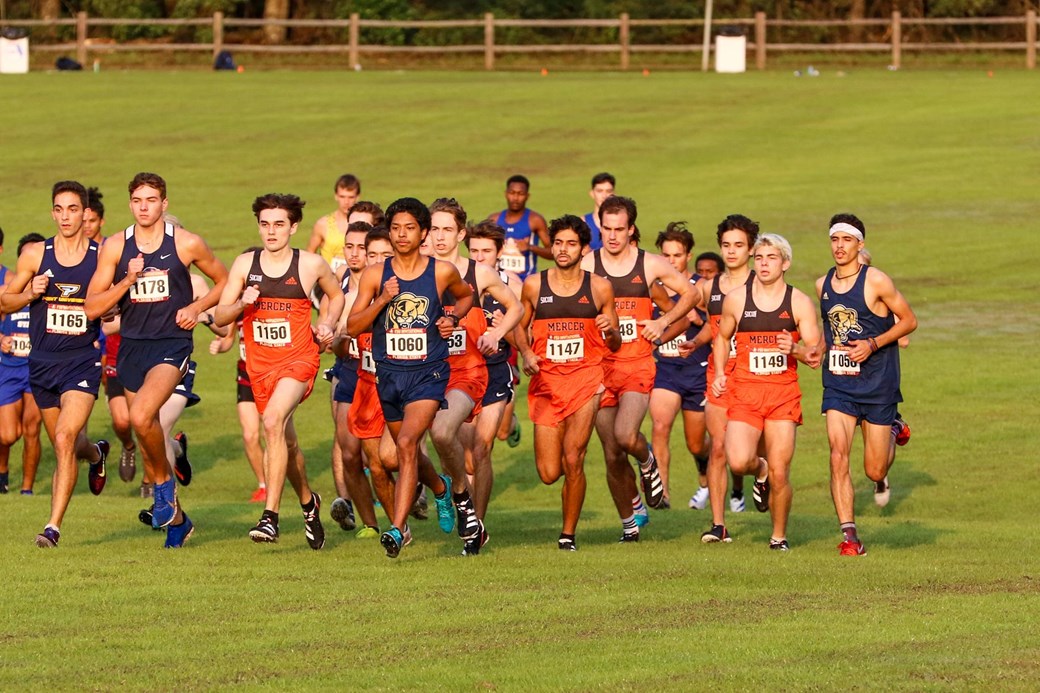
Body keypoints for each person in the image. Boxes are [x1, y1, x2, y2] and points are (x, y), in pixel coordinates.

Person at [85, 172, 228, 549]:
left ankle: (164, 489)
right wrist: (126, 282)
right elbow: (91, 307)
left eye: (151, 200)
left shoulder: (186, 243)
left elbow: (225, 280)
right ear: (130, 204)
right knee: (144, 434)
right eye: (137, 200)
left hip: (172, 344)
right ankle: (178, 521)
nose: (144, 207)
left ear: (165, 203)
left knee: (140, 415)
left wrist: (197, 308)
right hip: (132, 346)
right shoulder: (115, 247)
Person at [347, 197, 473, 559]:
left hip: (429, 373)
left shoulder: (441, 272)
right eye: (396, 227)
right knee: (407, 450)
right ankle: (439, 487)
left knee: (404, 447)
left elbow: (466, 296)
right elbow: (354, 326)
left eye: (410, 228)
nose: (402, 235)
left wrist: (453, 318)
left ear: (423, 233)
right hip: (389, 376)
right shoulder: (376, 275)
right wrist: (382, 301)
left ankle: (398, 529)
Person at [214, 193, 342, 549]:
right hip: (260, 366)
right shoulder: (244, 264)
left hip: (299, 359)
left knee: (271, 422)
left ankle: (270, 517)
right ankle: (308, 502)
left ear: (294, 227)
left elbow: (336, 295)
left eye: (279, 224)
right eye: (265, 224)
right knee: (286, 441)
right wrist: (242, 303)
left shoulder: (310, 265)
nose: (271, 232)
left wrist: (328, 322)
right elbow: (221, 317)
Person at [580, 195, 696, 542]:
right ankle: (630, 521)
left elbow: (689, 298)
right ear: (599, 227)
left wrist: (663, 326)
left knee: (626, 436)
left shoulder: (650, 264)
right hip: (598, 368)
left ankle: (648, 463)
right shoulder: (587, 263)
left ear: (631, 229)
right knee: (612, 454)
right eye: (607, 229)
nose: (613, 236)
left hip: (636, 365)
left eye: (620, 229)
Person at [1, 181, 110, 548]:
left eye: (73, 209)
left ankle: (52, 528)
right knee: (67, 442)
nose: (66, 216)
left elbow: (113, 303)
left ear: (86, 214)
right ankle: (96, 452)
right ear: (53, 213)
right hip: (42, 364)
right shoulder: (35, 254)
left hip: (81, 363)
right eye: (59, 209)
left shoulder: (100, 256)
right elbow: (5, 302)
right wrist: (29, 292)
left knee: (64, 439)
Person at [516, 215, 621, 550]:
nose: (562, 249)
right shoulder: (534, 285)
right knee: (549, 472)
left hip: (586, 381)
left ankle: (567, 534)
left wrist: (612, 329)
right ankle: (568, 485)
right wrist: (526, 353)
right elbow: (519, 325)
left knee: (574, 458)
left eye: (570, 243)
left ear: (583, 248)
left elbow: (615, 342)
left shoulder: (599, 287)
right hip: (547, 383)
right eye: (557, 243)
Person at [712, 234, 822, 551]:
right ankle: (758, 470)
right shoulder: (736, 299)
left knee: (781, 471)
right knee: (737, 460)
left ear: (785, 263)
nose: (763, 263)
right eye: (759, 257)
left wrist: (797, 349)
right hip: (745, 392)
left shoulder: (798, 302)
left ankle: (778, 536)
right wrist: (720, 372)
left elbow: (815, 355)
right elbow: (721, 338)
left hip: (782, 395)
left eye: (771, 258)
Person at [817, 215, 917, 555]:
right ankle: (850, 537)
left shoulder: (876, 281)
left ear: (860, 244)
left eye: (847, 240)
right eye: (835, 240)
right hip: (839, 385)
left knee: (874, 469)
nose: (840, 246)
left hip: (878, 384)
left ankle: (893, 428)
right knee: (837, 455)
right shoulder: (822, 285)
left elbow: (909, 321)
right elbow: (826, 333)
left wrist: (872, 344)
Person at [428, 201, 522, 530]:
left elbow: (516, 307)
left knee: (481, 449)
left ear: (460, 234)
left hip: (486, 369)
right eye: (435, 229)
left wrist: (497, 332)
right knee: (454, 449)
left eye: (447, 230)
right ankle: (457, 495)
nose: (440, 237)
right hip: (438, 375)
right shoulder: (421, 271)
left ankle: (476, 524)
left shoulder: (478, 273)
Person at [647, 222, 710, 510]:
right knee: (660, 426)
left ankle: (703, 466)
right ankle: (663, 494)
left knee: (696, 444)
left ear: (688, 256)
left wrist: (701, 320)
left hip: (698, 371)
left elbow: (722, 324)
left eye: (677, 255)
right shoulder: (652, 288)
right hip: (666, 371)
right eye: (666, 255)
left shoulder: (702, 288)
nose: (672, 261)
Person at [462, 220, 524, 506]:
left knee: (482, 447)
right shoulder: (455, 281)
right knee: (467, 457)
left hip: (497, 370)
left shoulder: (512, 284)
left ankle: (476, 524)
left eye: (486, 250)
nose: (479, 257)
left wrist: (504, 328)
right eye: (474, 250)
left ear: (499, 252)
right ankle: (468, 512)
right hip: (461, 373)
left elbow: (527, 339)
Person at [327, 219, 381, 535]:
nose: (355, 254)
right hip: (351, 371)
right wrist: (337, 339)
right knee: (349, 452)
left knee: (384, 457)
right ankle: (368, 523)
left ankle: (414, 494)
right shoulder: (340, 286)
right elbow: (336, 344)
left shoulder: (389, 286)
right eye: (349, 247)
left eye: (363, 248)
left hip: (386, 376)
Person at [858, 246, 912, 507]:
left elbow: (904, 338)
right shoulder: (836, 294)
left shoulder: (880, 299)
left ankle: (881, 475)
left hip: (879, 379)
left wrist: (877, 338)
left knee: (874, 457)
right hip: (846, 380)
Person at [0, 232, 44, 495]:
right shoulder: (8, 290)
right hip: (8, 368)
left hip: (38, 368)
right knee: (7, 434)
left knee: (32, 428)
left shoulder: (49, 290)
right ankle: (3, 471)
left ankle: (26, 489)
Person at [208, 315, 267, 502]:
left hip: (270, 375)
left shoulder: (271, 299)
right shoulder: (239, 305)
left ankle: (278, 480)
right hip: (246, 375)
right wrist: (219, 347)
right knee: (250, 435)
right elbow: (228, 340)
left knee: (272, 433)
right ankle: (264, 485)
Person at [488, 175, 549, 281]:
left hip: (525, 281)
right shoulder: (494, 219)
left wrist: (530, 247)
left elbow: (553, 252)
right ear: (506, 194)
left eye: (520, 194)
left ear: (527, 196)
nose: (515, 198)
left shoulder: (535, 220)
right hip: (498, 281)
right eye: (512, 193)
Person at [306, 173, 361, 273]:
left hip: (356, 280)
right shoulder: (323, 224)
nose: (346, 202)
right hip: (327, 282)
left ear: (357, 197)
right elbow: (310, 254)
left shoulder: (365, 224)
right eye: (342, 197)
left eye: (350, 197)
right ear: (336, 196)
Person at [582, 172, 615, 252]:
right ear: (592, 193)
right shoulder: (583, 222)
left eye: (608, 191)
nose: (604, 195)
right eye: (600, 191)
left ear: (613, 194)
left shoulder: (622, 222)